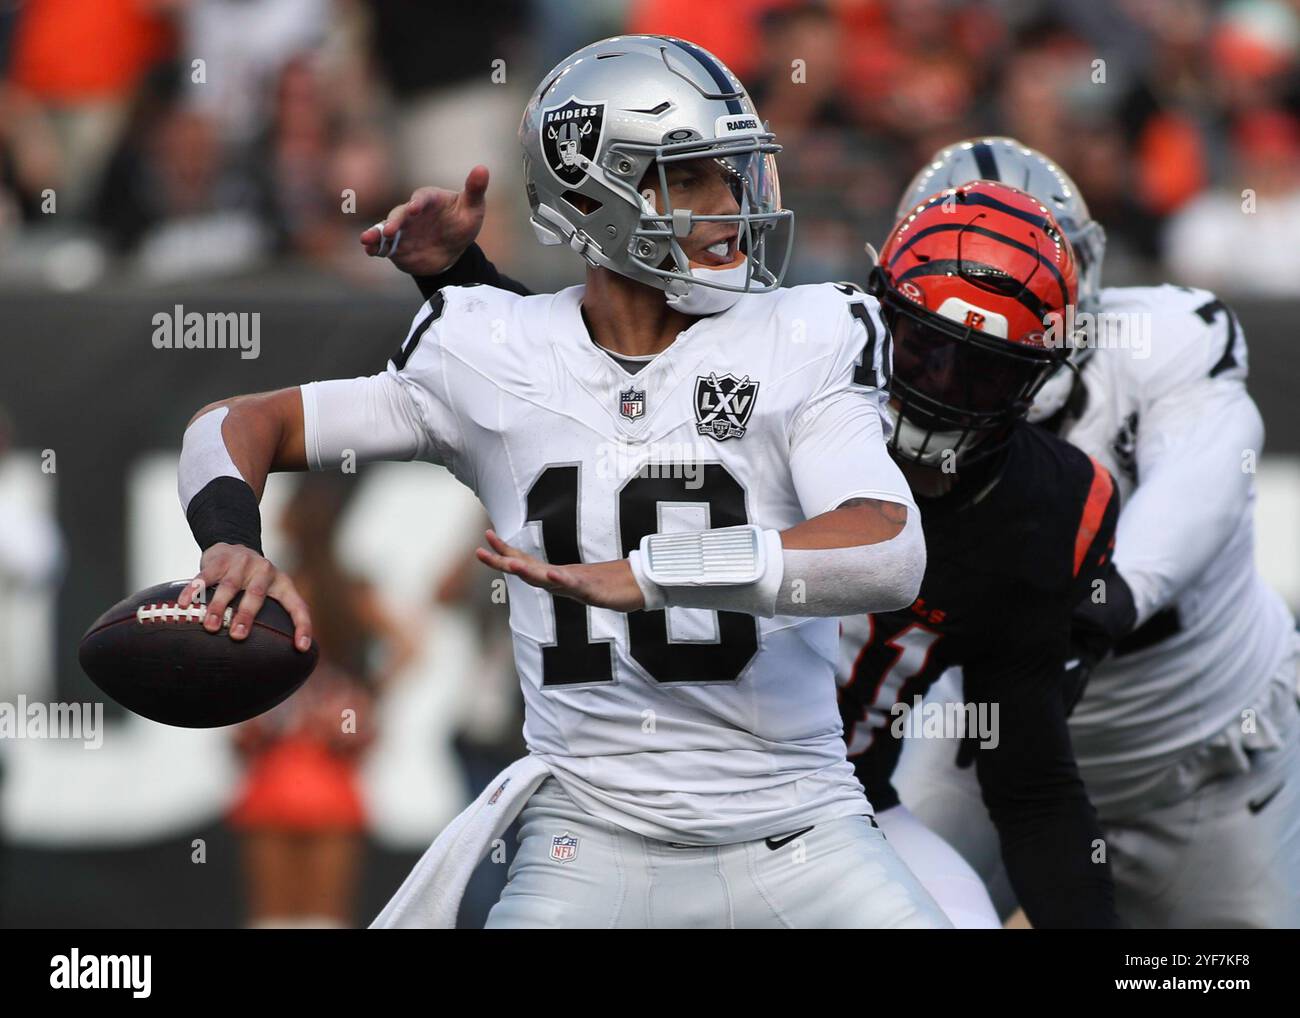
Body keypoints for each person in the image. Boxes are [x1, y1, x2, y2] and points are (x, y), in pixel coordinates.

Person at [174, 35, 948, 929]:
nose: (731, 204)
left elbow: (889, 548)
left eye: (735, 173)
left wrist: (664, 571)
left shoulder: (805, 332)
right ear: (591, 193)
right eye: (691, 175)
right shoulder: (491, 350)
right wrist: (230, 537)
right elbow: (233, 424)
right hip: (588, 844)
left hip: (800, 830)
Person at [362, 173, 1126, 927]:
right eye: (920, 349)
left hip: (834, 805)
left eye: (983, 369)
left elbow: (1030, 782)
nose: (941, 389)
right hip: (626, 801)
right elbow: (590, 380)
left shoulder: (1041, 506)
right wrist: (463, 278)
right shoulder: (799, 371)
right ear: (874, 307)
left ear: (1037, 382)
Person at [890, 137, 1300, 928]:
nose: (996, 307)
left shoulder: (1165, 340)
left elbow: (1208, 472)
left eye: (1032, 272)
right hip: (985, 747)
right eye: (961, 277)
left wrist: (1103, 605)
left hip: (1208, 762)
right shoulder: (869, 372)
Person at [227, 473, 417, 928]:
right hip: (328, 767)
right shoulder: (348, 589)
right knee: (326, 919)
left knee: (272, 918)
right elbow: (410, 647)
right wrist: (363, 700)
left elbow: (235, 660)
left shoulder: (272, 593)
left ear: (295, 521)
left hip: (278, 762)